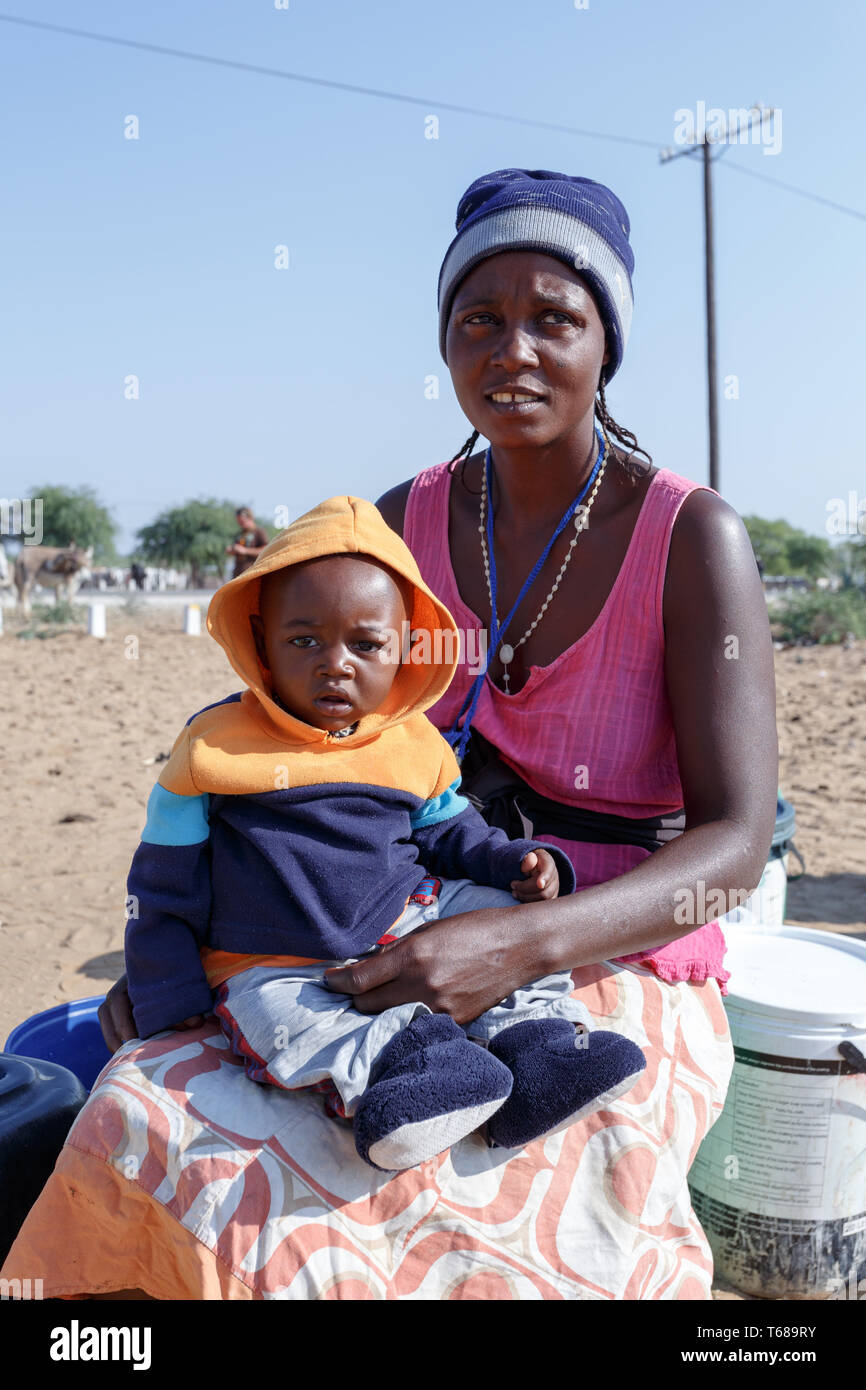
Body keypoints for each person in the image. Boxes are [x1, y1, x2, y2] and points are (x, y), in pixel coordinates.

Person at [2, 168, 777, 1300]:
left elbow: (736, 842)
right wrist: (194, 948)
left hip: (606, 937)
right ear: (445, 342)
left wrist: (519, 943)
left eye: (552, 317)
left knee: (485, 1191)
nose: (511, 349)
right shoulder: (400, 523)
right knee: (150, 1108)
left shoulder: (688, 534)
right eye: (478, 320)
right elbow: (302, 751)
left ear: (605, 341)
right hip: (371, 913)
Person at [124, 495, 646, 1171]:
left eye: (364, 645)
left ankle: (536, 1050)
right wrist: (164, 991)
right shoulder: (214, 750)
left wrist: (518, 863)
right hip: (273, 959)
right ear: (260, 643)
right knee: (279, 1022)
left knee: (504, 916)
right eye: (304, 639)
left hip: (408, 917)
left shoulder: (410, 742)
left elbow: (451, 830)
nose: (334, 663)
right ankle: (410, 1072)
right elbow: (161, 885)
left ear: (403, 653)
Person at [227, 506, 269, 578]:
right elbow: (237, 549)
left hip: (253, 574)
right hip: (238, 574)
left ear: (250, 518)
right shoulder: (240, 534)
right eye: (239, 521)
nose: (240, 524)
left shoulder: (259, 532)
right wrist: (232, 550)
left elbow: (265, 550)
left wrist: (245, 551)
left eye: (242, 521)